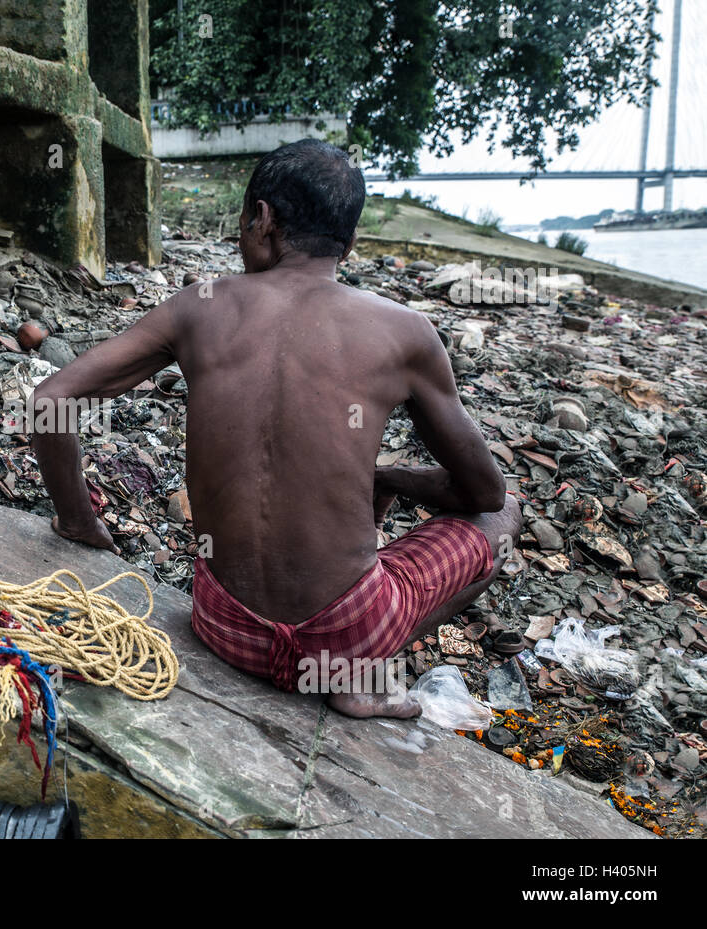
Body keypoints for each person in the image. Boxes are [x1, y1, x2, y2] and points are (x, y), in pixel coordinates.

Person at [30, 139, 521, 719]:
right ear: (350, 241)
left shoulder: (199, 307)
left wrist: (80, 522)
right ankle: (359, 675)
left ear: (261, 219)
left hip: (224, 628)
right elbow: (483, 494)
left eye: (243, 224)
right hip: (346, 635)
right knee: (504, 516)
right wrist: (390, 476)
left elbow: (51, 400)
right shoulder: (404, 331)